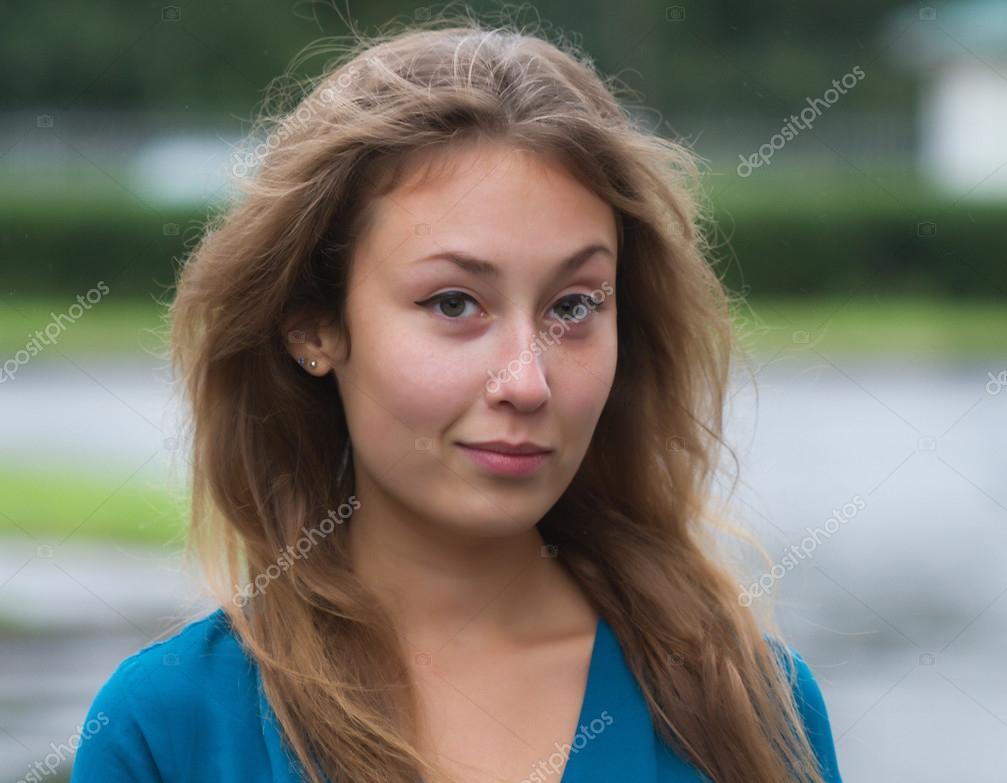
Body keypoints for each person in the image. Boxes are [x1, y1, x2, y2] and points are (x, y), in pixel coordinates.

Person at [71, 12, 843, 783]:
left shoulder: (745, 707)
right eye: (453, 303)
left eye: (573, 306)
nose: (527, 382)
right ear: (314, 327)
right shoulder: (169, 729)